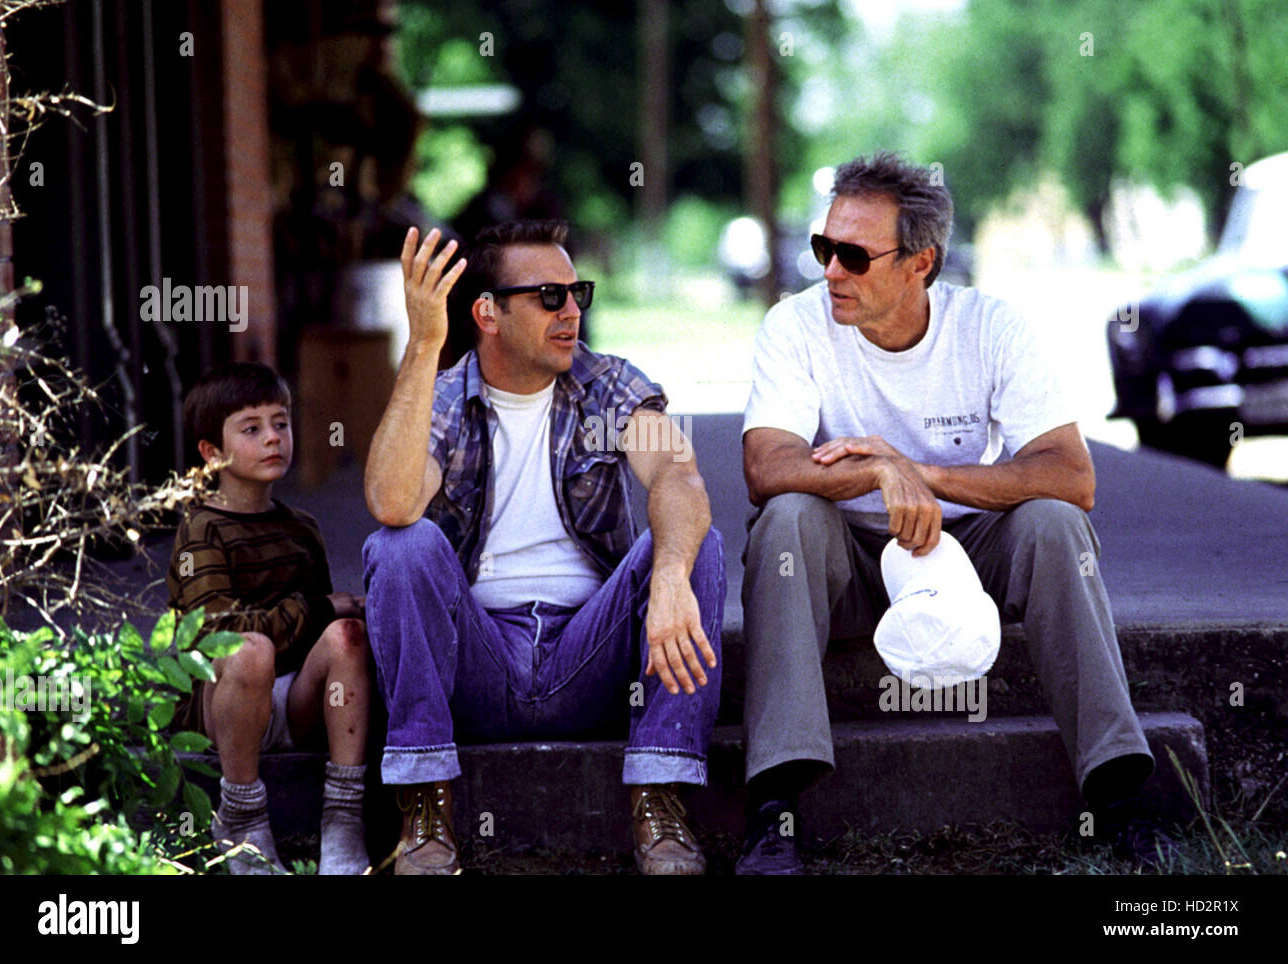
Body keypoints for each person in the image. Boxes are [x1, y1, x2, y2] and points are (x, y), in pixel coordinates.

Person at [735, 151, 1167, 874]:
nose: (830, 271)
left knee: (1056, 523)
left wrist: (923, 475)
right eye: (822, 248)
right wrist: (878, 468)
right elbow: (764, 466)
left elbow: (1072, 475)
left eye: (852, 255)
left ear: (920, 263)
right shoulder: (796, 325)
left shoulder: (991, 327)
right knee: (786, 520)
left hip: (965, 559)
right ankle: (774, 806)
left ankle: (1117, 790)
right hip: (850, 568)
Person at [362, 221, 724, 875]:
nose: (573, 310)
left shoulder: (605, 383)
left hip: (591, 657)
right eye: (549, 297)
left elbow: (678, 476)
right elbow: (393, 503)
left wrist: (670, 574)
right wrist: (422, 346)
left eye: (577, 291)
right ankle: (424, 802)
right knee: (401, 545)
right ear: (488, 313)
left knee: (697, 541)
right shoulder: (444, 395)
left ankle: (658, 798)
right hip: (479, 662)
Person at [168, 362, 372, 875]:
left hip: (296, 702)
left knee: (347, 636)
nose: (273, 438)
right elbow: (215, 637)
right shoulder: (201, 530)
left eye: (281, 423)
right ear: (212, 453)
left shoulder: (302, 527)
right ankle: (240, 818)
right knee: (246, 646)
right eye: (252, 428)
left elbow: (318, 634)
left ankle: (344, 818)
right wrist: (319, 609)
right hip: (224, 709)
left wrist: (338, 618)